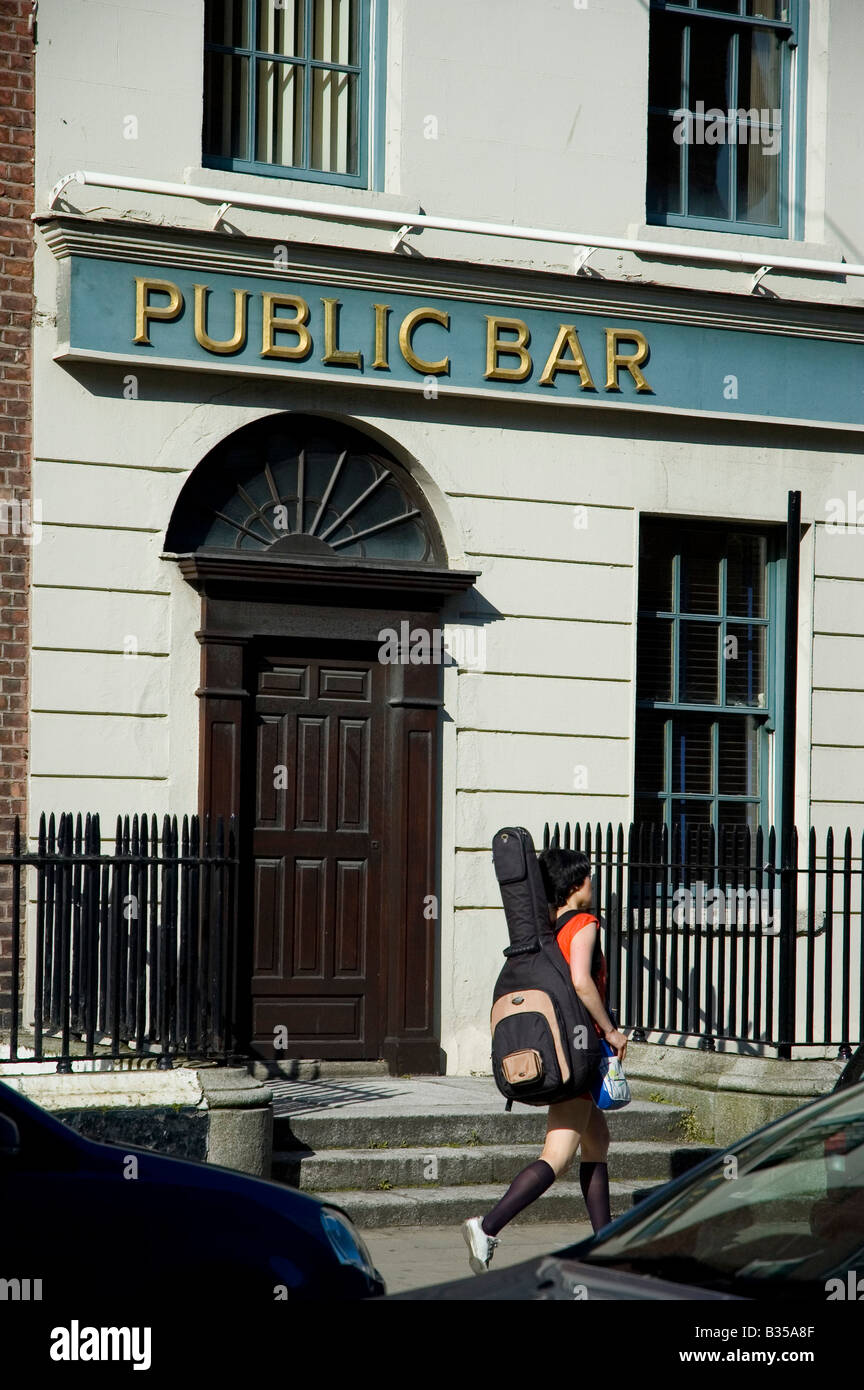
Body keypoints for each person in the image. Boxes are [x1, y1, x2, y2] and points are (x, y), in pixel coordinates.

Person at [462, 846, 628, 1274]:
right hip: (582, 1052)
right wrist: (610, 1030)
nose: (593, 884)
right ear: (575, 885)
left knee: (597, 1144)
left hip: (561, 1051)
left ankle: (603, 1247)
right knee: (556, 1157)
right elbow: (581, 982)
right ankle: (488, 1226)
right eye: (588, 877)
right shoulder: (585, 925)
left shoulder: (546, 929)